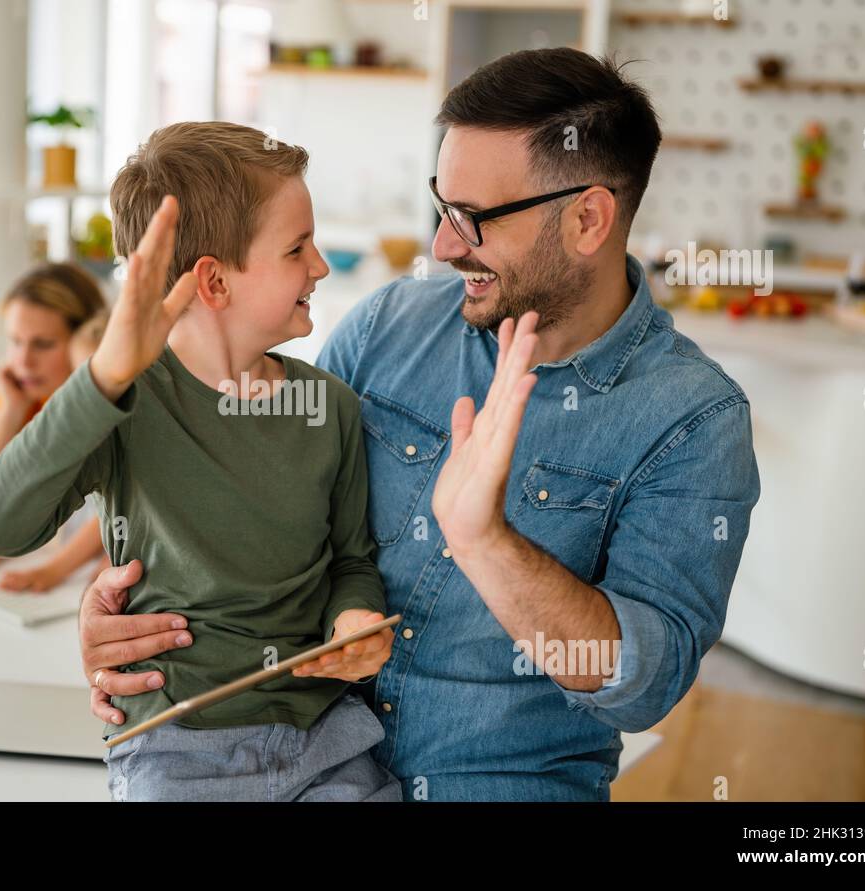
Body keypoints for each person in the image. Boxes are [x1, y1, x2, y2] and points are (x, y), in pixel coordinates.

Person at [77, 49, 761, 801]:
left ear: (588, 219)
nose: (442, 245)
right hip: (299, 760)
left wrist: (486, 543)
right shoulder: (384, 328)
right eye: (442, 207)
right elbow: (249, 488)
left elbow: (644, 685)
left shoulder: (695, 419)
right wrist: (118, 600)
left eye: (473, 219)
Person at [0, 122, 401, 801]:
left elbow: (351, 561)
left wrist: (356, 619)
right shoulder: (127, 403)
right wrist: (103, 375)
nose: (319, 265)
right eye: (296, 248)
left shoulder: (332, 409)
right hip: (177, 749)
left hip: (325, 737)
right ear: (215, 282)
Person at [0, 263, 109, 592]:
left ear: (83, 341)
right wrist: (7, 418)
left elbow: (116, 513)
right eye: (15, 342)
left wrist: (52, 571)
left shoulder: (110, 404)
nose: (23, 361)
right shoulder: (28, 400)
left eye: (43, 344)